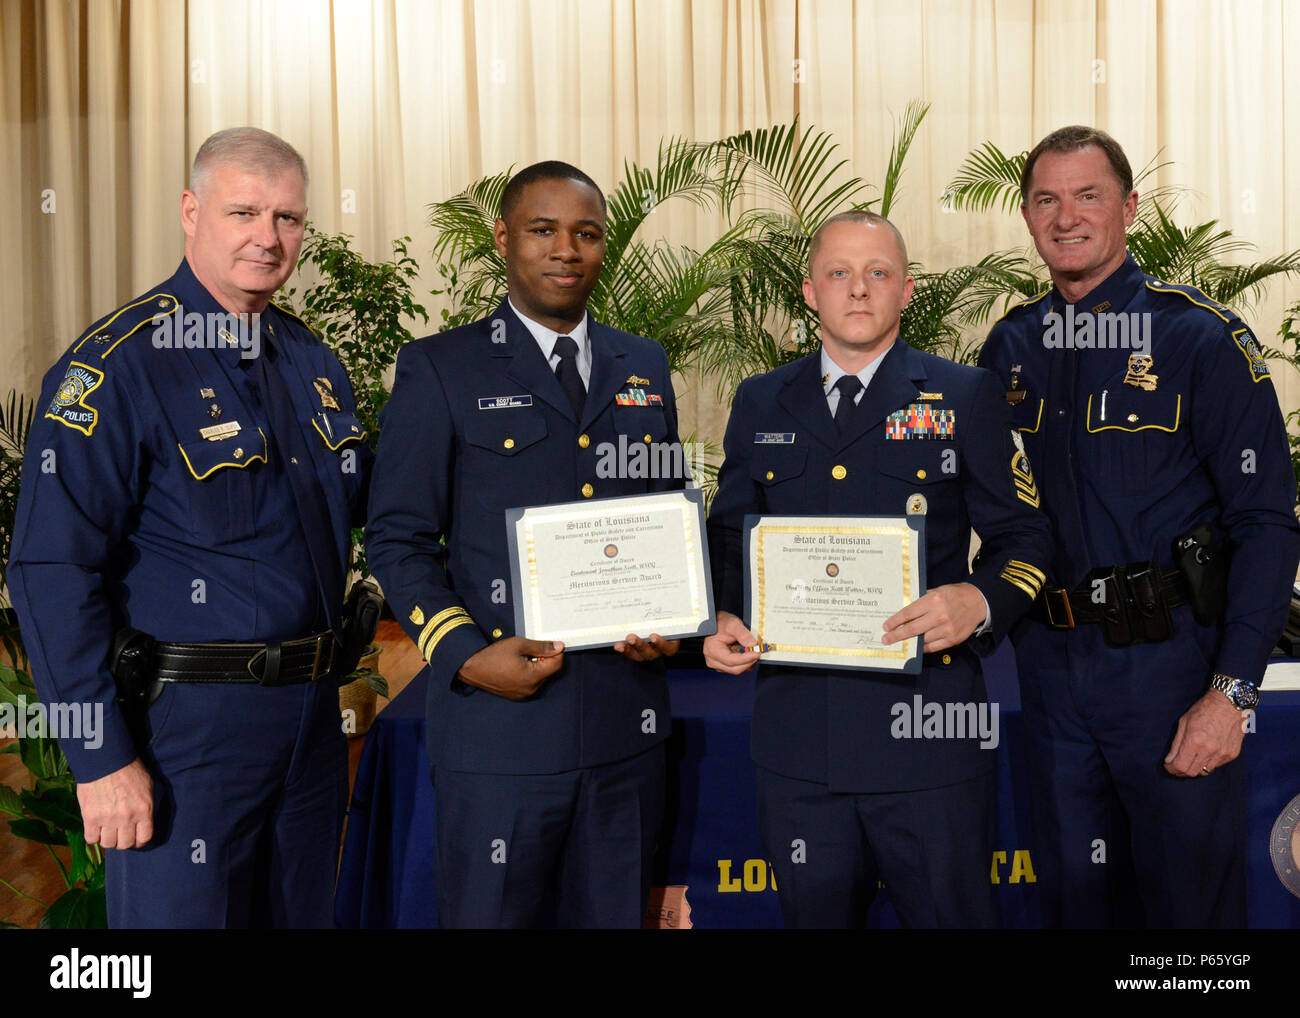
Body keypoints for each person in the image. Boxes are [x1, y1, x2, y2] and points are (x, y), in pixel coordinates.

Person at [7, 127, 371, 927]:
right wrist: (101, 759)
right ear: (189, 210)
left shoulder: (312, 362)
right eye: (244, 212)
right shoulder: (118, 366)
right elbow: (48, 571)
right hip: (187, 737)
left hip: (309, 723)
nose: (268, 239)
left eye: (288, 219)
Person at [978, 125, 1300, 927]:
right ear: (1025, 216)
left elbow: (1266, 523)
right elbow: (978, 510)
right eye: (1046, 199)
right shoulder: (1010, 347)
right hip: (1049, 672)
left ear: (1127, 206)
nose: (1066, 216)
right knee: (1075, 903)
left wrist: (1231, 692)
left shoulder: (1199, 338)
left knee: (1188, 919)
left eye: (1087, 195)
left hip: (1170, 669)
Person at [703, 210, 1053, 928]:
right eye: (839, 273)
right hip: (800, 745)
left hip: (929, 746)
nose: (857, 290)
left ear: (906, 290)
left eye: (877, 273)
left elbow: (1029, 538)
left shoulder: (965, 396)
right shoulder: (761, 400)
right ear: (810, 291)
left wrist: (979, 601)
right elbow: (728, 540)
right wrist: (720, 616)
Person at [365, 161, 686, 928]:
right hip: (498, 728)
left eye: (586, 233)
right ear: (505, 239)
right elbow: (398, 536)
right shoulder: (441, 366)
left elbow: (662, 514)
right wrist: (465, 653)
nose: (565, 250)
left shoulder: (643, 364)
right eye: (543, 230)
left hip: (622, 725)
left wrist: (670, 616)